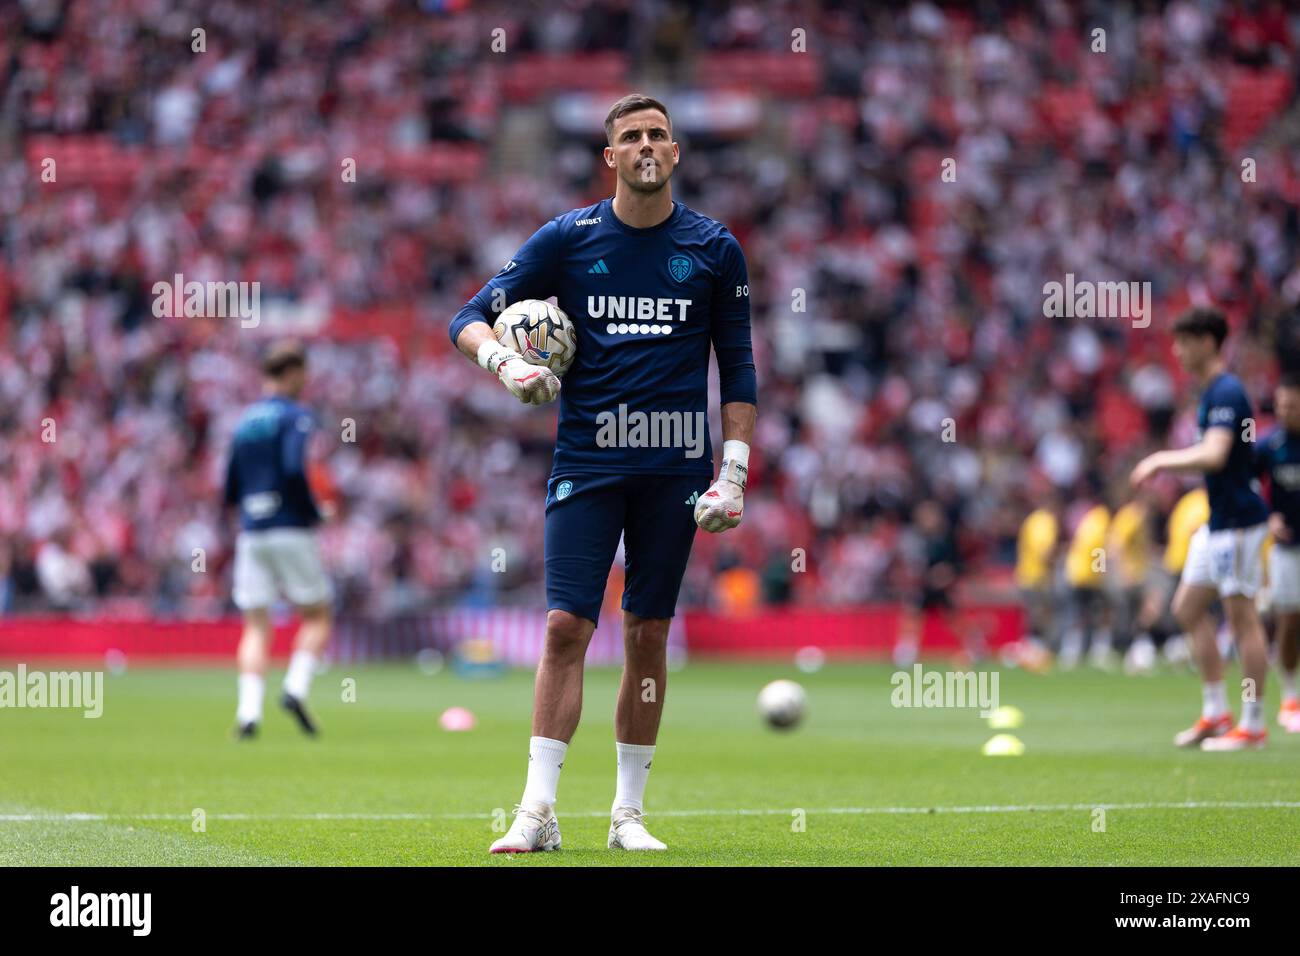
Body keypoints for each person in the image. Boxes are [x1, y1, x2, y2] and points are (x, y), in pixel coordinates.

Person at [448, 94, 757, 852]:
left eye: (658, 134)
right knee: (564, 626)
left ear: (676, 152)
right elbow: (467, 317)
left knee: (648, 631)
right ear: (610, 157)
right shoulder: (569, 239)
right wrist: (507, 366)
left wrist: (735, 473)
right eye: (631, 137)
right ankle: (537, 811)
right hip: (586, 459)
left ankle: (627, 815)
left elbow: (739, 368)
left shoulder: (715, 250)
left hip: (676, 467)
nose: (646, 145)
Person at [1131, 308, 1270, 750]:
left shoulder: (1227, 392)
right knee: (1188, 608)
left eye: (1184, 341)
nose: (1176, 350)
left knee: (1242, 618)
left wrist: (1159, 460)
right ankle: (1215, 712)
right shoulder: (1212, 392)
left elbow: (1213, 455)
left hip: (1240, 523)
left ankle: (1252, 723)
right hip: (1219, 521)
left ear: (1208, 342)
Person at [222, 341, 334, 739]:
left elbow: (230, 487)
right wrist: (314, 510)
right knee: (317, 614)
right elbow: (293, 468)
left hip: (252, 532)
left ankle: (248, 714)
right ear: (291, 373)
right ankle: (294, 687)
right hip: (290, 526)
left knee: (256, 624)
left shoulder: (244, 421)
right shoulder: (297, 416)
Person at [1254, 371, 1300, 732]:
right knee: (1288, 621)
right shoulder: (1269, 446)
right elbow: (1249, 484)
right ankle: (1289, 697)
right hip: (1286, 550)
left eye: (1292, 405)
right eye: (1281, 405)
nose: (1285, 411)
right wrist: (1268, 520)